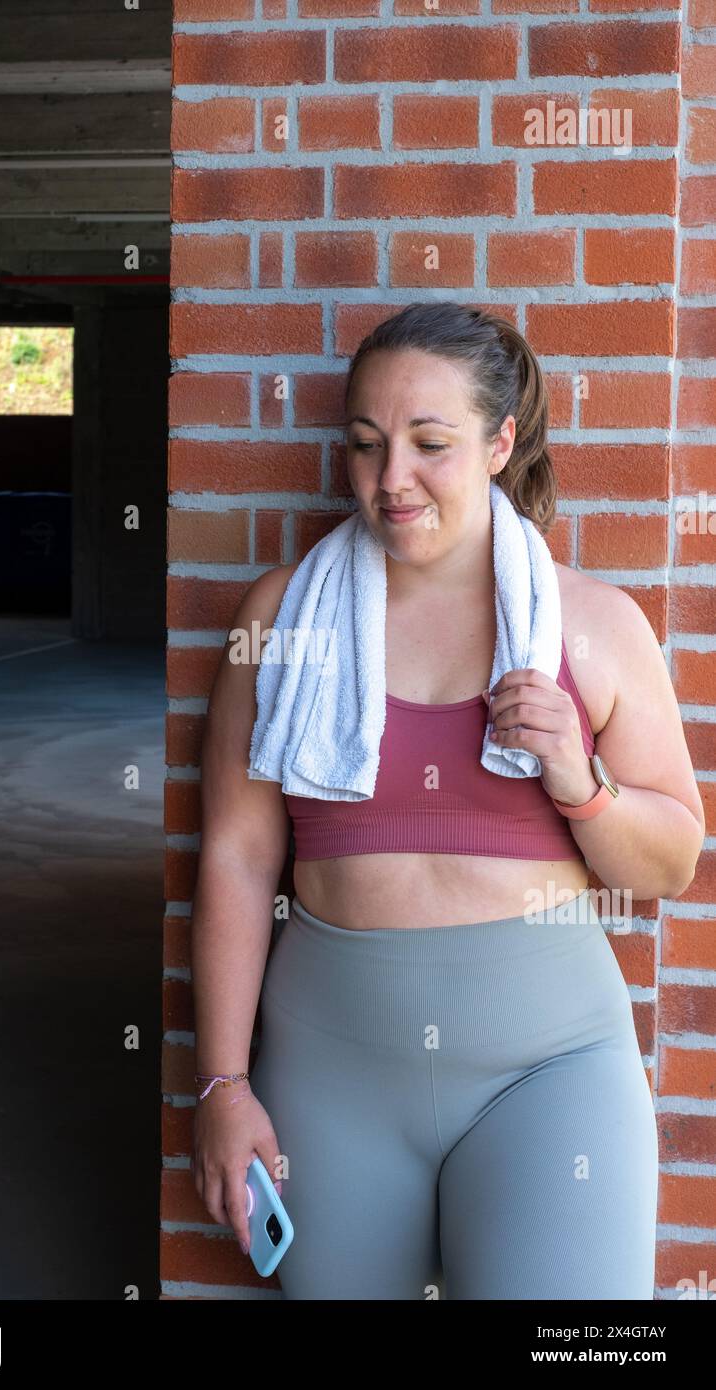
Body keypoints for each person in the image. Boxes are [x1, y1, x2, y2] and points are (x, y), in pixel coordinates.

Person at [189, 300, 705, 1300]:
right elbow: (239, 860)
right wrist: (220, 1083)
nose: (392, 482)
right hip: (329, 1079)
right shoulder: (282, 617)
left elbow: (670, 863)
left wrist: (580, 783)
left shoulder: (594, 625)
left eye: (429, 445)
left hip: (547, 1075)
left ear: (499, 441)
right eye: (366, 446)